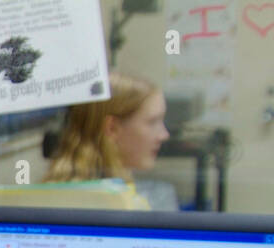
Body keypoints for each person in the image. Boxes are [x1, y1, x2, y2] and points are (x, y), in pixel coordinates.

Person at [46, 71, 177, 211]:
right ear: (112, 128)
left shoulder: (50, 197)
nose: (164, 135)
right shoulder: (124, 206)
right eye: (152, 122)